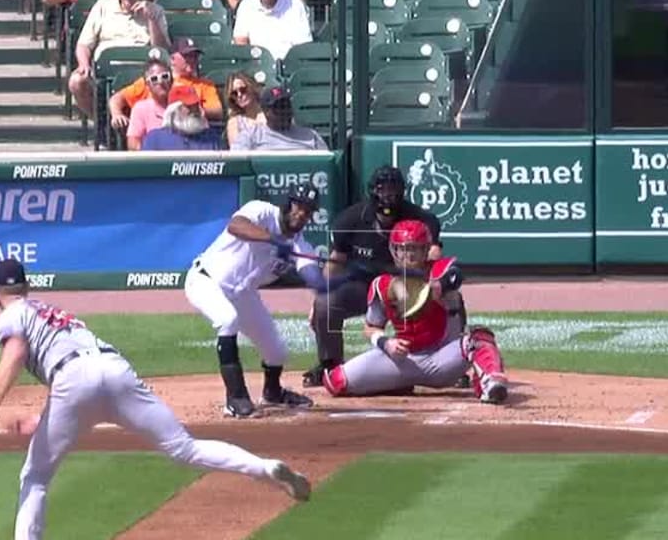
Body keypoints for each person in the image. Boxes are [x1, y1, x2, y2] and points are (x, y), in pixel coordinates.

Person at [0, 257, 312, 540]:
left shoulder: (9, 316)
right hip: (115, 369)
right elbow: (88, 378)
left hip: (72, 381)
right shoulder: (52, 312)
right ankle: (265, 468)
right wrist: (45, 419)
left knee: (36, 477)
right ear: (27, 285)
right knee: (186, 447)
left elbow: (18, 353)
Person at [322, 219, 509, 405]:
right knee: (335, 382)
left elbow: (455, 276)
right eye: (402, 249)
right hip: (403, 359)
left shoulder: (439, 270)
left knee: (479, 338)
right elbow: (370, 327)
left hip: (441, 359)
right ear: (394, 250)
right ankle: (394, 384)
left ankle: (491, 384)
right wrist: (386, 343)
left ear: (425, 250)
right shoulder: (382, 284)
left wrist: (437, 286)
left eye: (414, 249)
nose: (408, 255)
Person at [185, 183, 325, 418]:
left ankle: (273, 393)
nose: (300, 213)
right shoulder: (261, 211)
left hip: (244, 294)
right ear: (288, 203)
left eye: (307, 210)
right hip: (206, 281)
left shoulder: (299, 245)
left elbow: (311, 274)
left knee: (277, 351)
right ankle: (235, 399)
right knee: (227, 320)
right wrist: (273, 239)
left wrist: (322, 283)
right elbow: (236, 226)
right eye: (297, 206)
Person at [303, 166, 443, 388]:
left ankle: (445, 358)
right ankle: (330, 365)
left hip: (407, 285)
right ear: (373, 191)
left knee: (446, 297)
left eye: (393, 189)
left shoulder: (421, 219)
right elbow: (335, 262)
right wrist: (318, 299)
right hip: (364, 286)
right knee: (325, 304)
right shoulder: (349, 220)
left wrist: (431, 285)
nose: (388, 195)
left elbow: (435, 254)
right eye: (383, 189)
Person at [69, 0, 169, 118]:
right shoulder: (102, 6)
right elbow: (83, 44)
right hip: (107, 70)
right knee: (76, 81)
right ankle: (101, 123)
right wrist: (84, 64)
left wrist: (150, 19)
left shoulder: (155, 11)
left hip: (141, 72)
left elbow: (161, 51)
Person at [109, 37, 221, 131]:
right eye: (187, 56)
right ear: (172, 59)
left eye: (194, 56)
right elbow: (117, 98)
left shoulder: (205, 85)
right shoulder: (154, 80)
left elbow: (217, 111)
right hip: (153, 134)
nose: (192, 60)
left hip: (191, 133)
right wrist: (117, 114)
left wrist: (191, 109)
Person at [228, 85, 325, 150]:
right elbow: (237, 165)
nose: (284, 111)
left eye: (287, 105)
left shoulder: (311, 136)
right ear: (266, 111)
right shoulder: (251, 135)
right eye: (278, 107)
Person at [141, 84, 222, 149]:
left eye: (196, 105)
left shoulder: (211, 138)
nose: (194, 110)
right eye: (188, 106)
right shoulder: (155, 139)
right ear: (174, 111)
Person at [123, 58, 176, 149]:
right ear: (147, 84)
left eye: (165, 76)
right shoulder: (141, 109)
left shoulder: (183, 105)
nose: (160, 82)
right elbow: (133, 144)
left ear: (171, 80)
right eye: (154, 79)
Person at [223, 71, 264, 147]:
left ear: (252, 87)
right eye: (234, 93)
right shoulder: (234, 122)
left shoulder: (269, 114)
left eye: (243, 90)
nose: (239, 95)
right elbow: (236, 152)